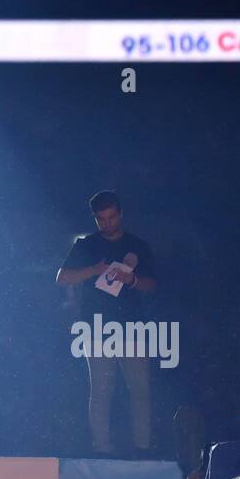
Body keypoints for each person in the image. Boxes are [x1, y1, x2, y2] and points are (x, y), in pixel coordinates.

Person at [56, 190, 158, 457]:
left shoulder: (138, 245)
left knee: (140, 390)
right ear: (95, 218)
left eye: (111, 217)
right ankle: (101, 449)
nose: (107, 223)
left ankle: (143, 448)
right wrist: (94, 270)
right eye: (101, 219)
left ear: (120, 214)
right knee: (101, 391)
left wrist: (132, 281)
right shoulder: (86, 245)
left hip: (133, 328)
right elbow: (62, 277)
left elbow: (152, 285)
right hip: (96, 329)